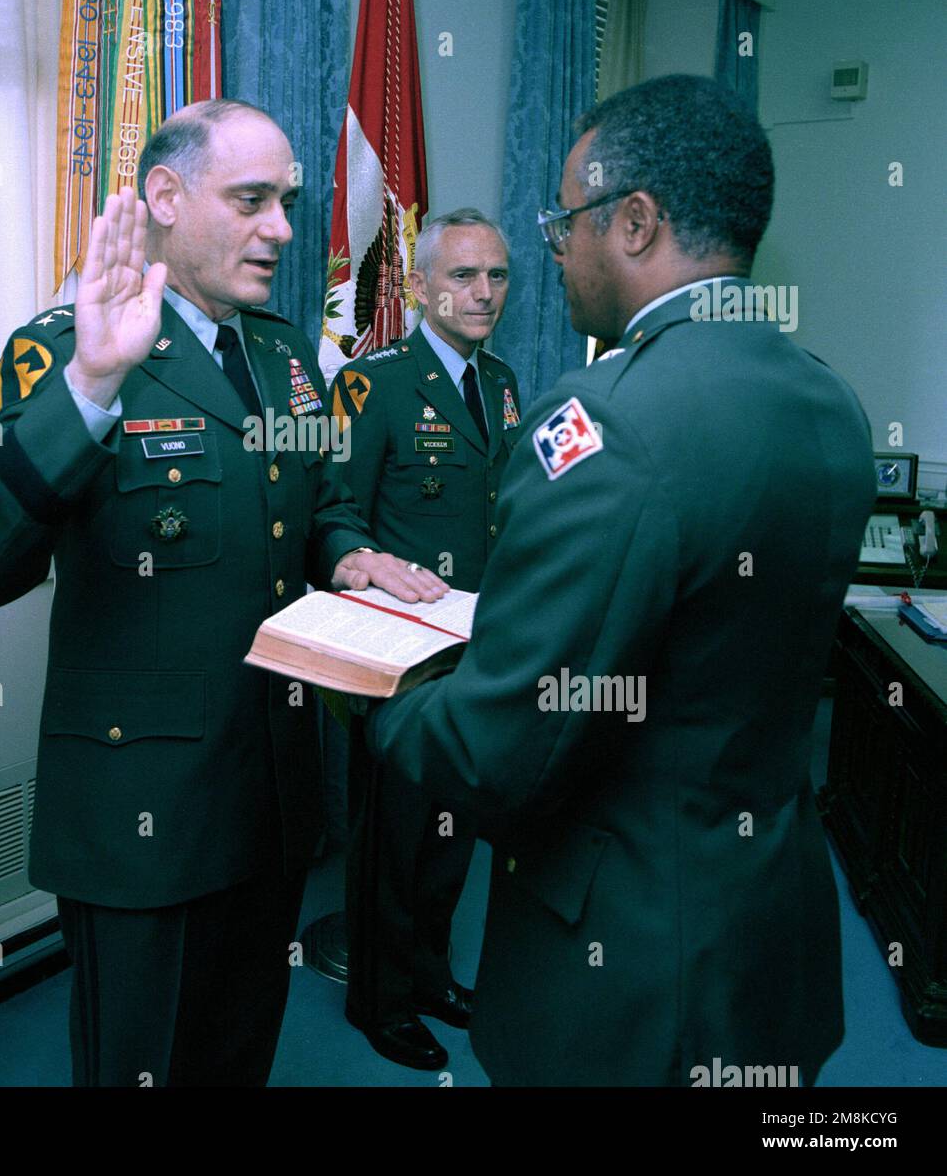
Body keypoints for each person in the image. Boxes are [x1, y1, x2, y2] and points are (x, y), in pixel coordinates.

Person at [362, 74, 875, 1086]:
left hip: (629, 968)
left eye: (565, 221)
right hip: (766, 924)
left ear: (634, 222)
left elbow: (500, 752)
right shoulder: (831, 401)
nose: (554, 250)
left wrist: (374, 696)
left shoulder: (606, 421)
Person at [0, 99, 446, 1087]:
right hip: (143, 814)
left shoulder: (285, 355)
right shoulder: (64, 349)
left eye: (287, 203)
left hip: (272, 791)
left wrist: (349, 556)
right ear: (164, 197)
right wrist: (89, 385)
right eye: (251, 200)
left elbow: (319, 498)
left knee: (236, 1055)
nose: (284, 230)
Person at [331, 209, 520, 1069]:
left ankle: (432, 972)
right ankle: (380, 999)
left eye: (497, 276)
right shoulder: (376, 384)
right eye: (462, 276)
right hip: (398, 661)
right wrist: (368, 564)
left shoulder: (505, 382)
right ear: (418, 287)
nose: (483, 293)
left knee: (454, 831)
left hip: (476, 654)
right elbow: (336, 514)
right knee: (394, 840)